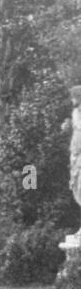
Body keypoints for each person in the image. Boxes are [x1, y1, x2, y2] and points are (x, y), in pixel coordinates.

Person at [65, 85, 81, 241]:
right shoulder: (75, 113)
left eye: (73, 97)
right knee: (78, 188)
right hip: (76, 156)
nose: (72, 100)